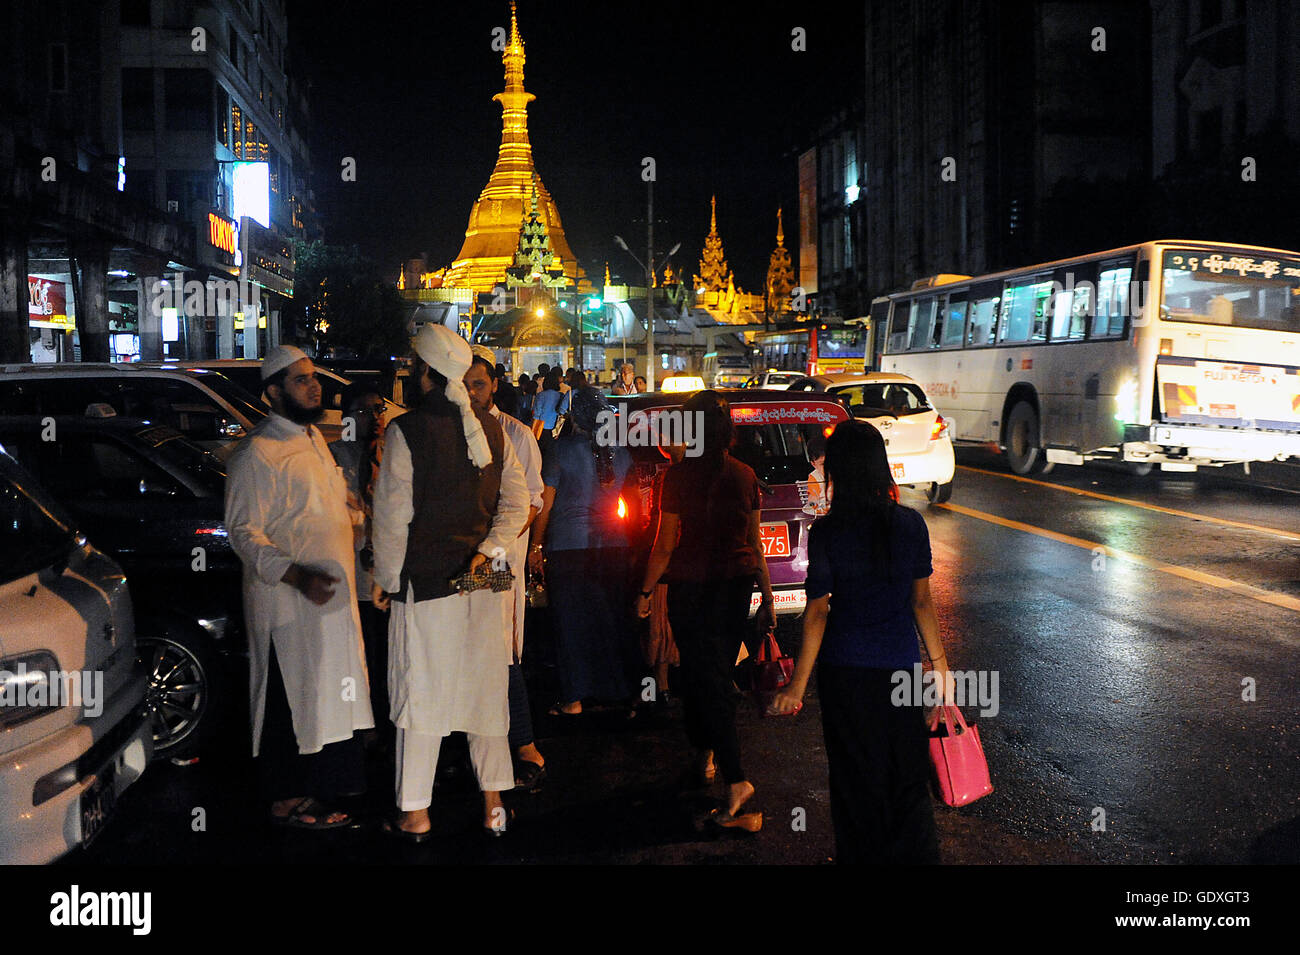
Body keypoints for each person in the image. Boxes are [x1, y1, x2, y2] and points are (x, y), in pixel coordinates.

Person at [371, 324, 530, 840]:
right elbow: (518, 505)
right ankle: (493, 804)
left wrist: (387, 579)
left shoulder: (406, 431)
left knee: (423, 694)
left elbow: (393, 520)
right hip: (485, 584)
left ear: (424, 375)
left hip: (430, 584)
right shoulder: (495, 428)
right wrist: (490, 553)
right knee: (486, 692)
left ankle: (416, 811)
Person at [770, 420, 947, 864]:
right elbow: (921, 603)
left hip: (845, 676)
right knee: (906, 777)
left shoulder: (828, 532)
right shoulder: (910, 525)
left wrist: (797, 686)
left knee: (853, 779)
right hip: (901, 673)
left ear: (840, 472)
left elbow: (817, 612)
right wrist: (940, 668)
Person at [224, 345, 374, 830]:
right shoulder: (258, 452)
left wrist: (360, 518)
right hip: (288, 607)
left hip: (330, 602)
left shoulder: (313, 440)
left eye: (314, 378)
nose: (314, 386)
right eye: (300, 380)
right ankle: (285, 799)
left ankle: (328, 786)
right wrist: (295, 575)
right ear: (273, 392)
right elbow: (243, 532)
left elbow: (323, 507)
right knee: (291, 698)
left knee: (327, 695)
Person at [636, 390, 773, 831]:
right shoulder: (745, 475)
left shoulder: (676, 478)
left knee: (708, 679)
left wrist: (643, 591)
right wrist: (768, 598)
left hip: (691, 591)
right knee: (705, 676)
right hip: (735, 589)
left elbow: (664, 545)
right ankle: (704, 756)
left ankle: (737, 782)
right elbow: (754, 543)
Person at [529, 387, 641, 717]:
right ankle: (620, 693)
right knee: (611, 620)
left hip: (568, 548)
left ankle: (574, 697)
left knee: (570, 623)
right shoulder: (622, 453)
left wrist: (536, 546)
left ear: (575, 416)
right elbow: (634, 506)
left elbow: (544, 505)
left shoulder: (560, 450)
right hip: (614, 547)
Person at [467, 346, 548, 790]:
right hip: (461, 566)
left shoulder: (516, 434)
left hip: (499, 568)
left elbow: (531, 503)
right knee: (464, 655)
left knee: (503, 655)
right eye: (463, 385)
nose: (471, 392)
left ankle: (523, 746)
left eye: (478, 383)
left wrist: (493, 545)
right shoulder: (451, 433)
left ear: (495, 385)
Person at [330, 385, 391, 744]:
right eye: (365, 411)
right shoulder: (333, 460)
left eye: (379, 408)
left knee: (387, 664)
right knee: (356, 665)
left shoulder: (395, 459)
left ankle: (385, 731)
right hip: (352, 584)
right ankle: (358, 735)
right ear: (348, 419)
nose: (376, 418)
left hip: (388, 585)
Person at [531, 367, 565, 441]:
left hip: (542, 427)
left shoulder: (540, 395)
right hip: (556, 428)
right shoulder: (561, 395)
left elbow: (537, 414)